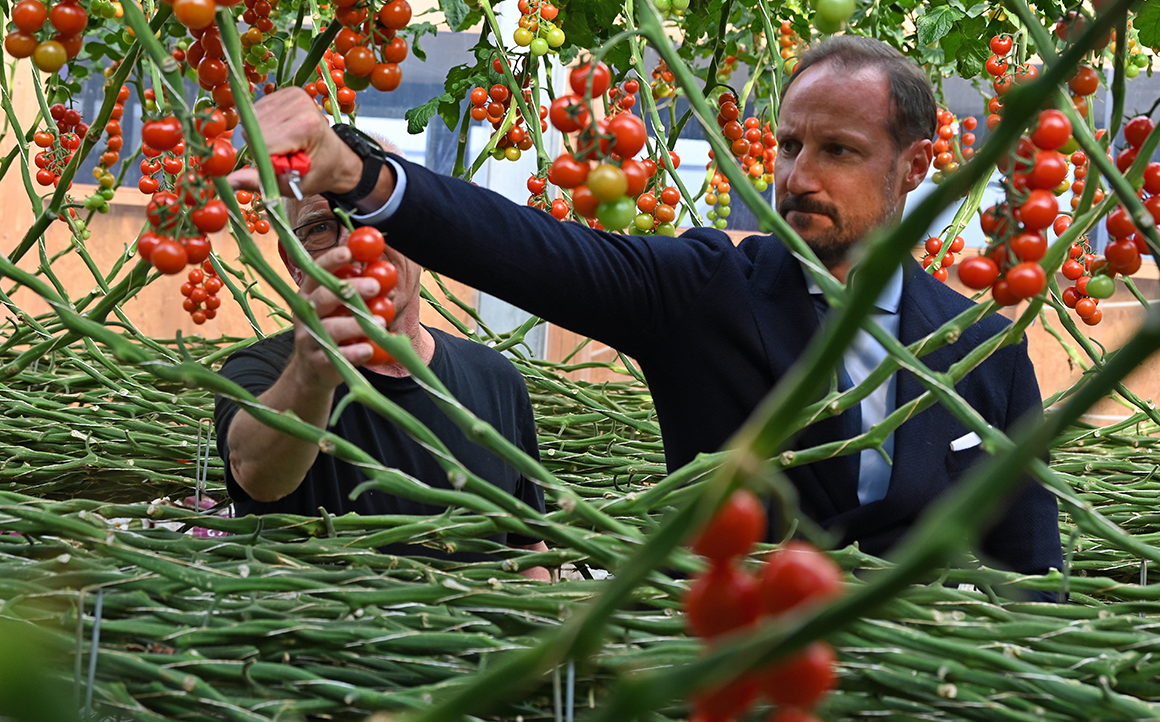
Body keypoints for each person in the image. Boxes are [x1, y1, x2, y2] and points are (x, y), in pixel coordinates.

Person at [233, 36, 1063, 586]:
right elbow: (525, 247)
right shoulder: (706, 291)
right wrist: (357, 174)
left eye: (838, 151)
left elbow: (1030, 567)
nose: (797, 176)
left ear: (915, 165)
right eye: (787, 145)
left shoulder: (979, 351)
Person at [213, 185, 550, 578]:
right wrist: (311, 377)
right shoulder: (260, 372)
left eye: (374, 215)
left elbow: (528, 549)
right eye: (320, 228)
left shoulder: (496, 378)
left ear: (419, 238)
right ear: (294, 262)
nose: (354, 245)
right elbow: (258, 474)